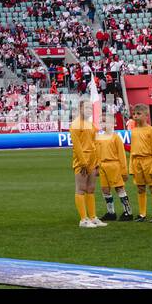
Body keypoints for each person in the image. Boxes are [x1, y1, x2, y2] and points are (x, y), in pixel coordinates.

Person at [70, 97, 103, 228]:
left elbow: (95, 144)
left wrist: (97, 162)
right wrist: (83, 162)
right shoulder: (75, 125)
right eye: (86, 107)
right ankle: (83, 219)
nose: (89, 110)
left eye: (91, 108)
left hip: (93, 160)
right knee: (81, 189)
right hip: (82, 160)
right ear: (80, 109)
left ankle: (93, 217)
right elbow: (77, 147)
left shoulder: (91, 125)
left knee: (91, 189)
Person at [128, 103, 152, 223]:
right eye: (134, 114)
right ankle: (142, 214)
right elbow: (132, 149)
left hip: (148, 161)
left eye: (138, 114)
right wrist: (131, 166)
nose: (135, 116)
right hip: (137, 161)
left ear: (146, 115)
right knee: (140, 188)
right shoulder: (134, 130)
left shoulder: (151, 130)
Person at [95, 124, 131, 221]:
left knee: (119, 188)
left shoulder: (116, 137)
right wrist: (97, 166)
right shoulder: (98, 138)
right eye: (101, 122)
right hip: (102, 166)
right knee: (105, 190)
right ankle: (111, 213)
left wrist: (124, 171)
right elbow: (97, 153)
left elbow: (122, 155)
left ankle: (128, 212)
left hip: (114, 165)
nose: (103, 124)